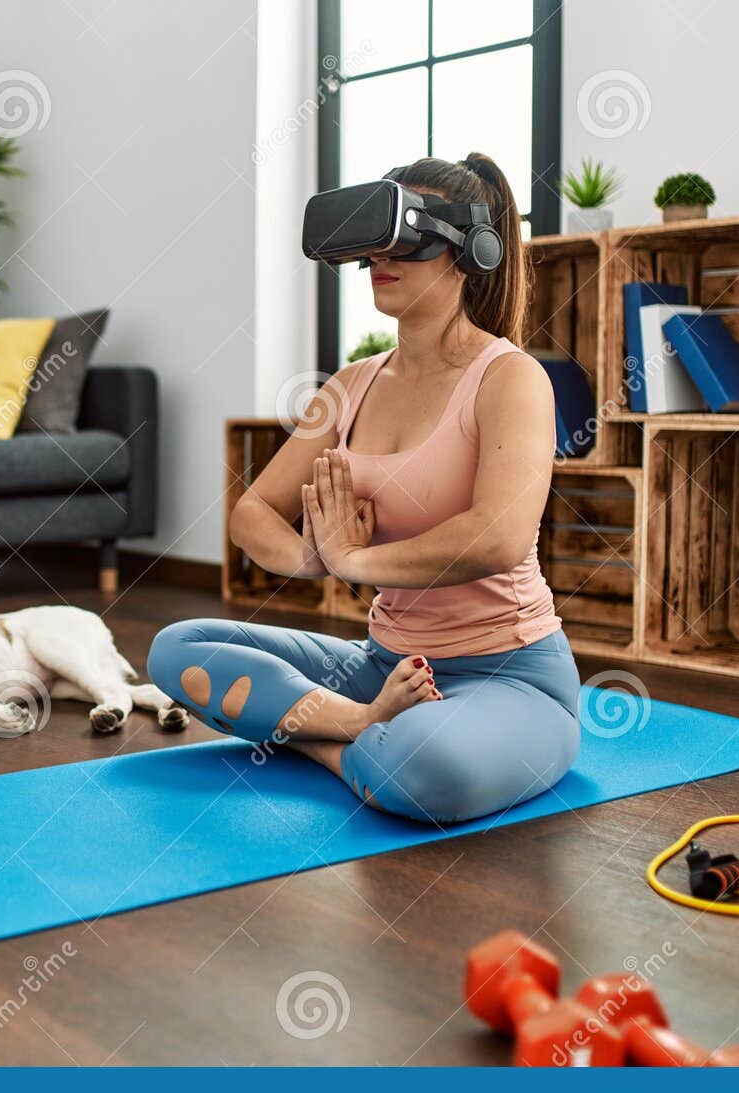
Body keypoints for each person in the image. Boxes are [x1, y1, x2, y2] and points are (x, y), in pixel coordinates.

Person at [148, 153, 580, 824]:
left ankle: (321, 739)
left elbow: (499, 536)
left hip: (510, 678)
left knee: (424, 765)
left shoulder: (511, 378)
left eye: (411, 236)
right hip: (383, 667)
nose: (384, 254)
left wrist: (356, 562)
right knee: (175, 647)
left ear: (472, 251)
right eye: (379, 235)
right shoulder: (350, 385)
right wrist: (311, 558)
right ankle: (359, 722)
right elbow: (253, 512)